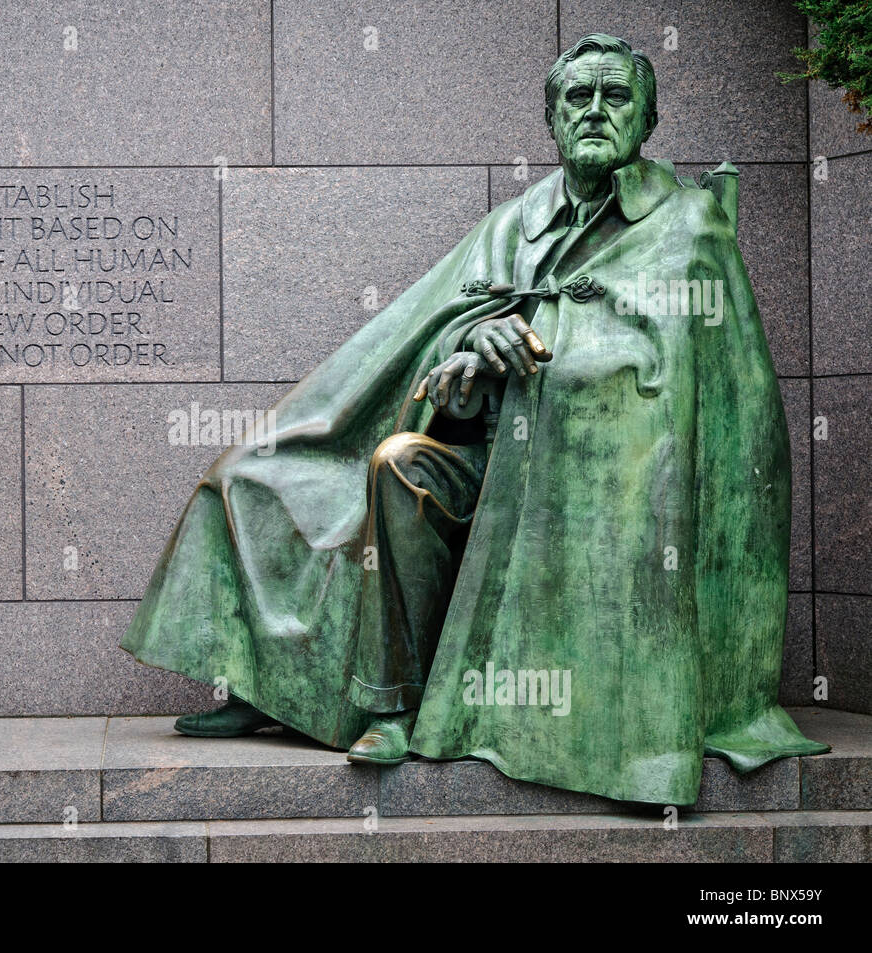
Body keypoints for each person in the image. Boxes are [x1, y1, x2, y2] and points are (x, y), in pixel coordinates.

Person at [120, 33, 827, 805]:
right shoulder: (513, 224)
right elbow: (428, 346)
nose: (594, 111)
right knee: (328, 466)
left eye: (615, 96)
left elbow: (712, 401)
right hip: (483, 462)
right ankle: (332, 694)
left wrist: (551, 348)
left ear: (648, 119)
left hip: (587, 488)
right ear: (553, 122)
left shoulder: (688, 225)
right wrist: (470, 346)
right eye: (576, 98)